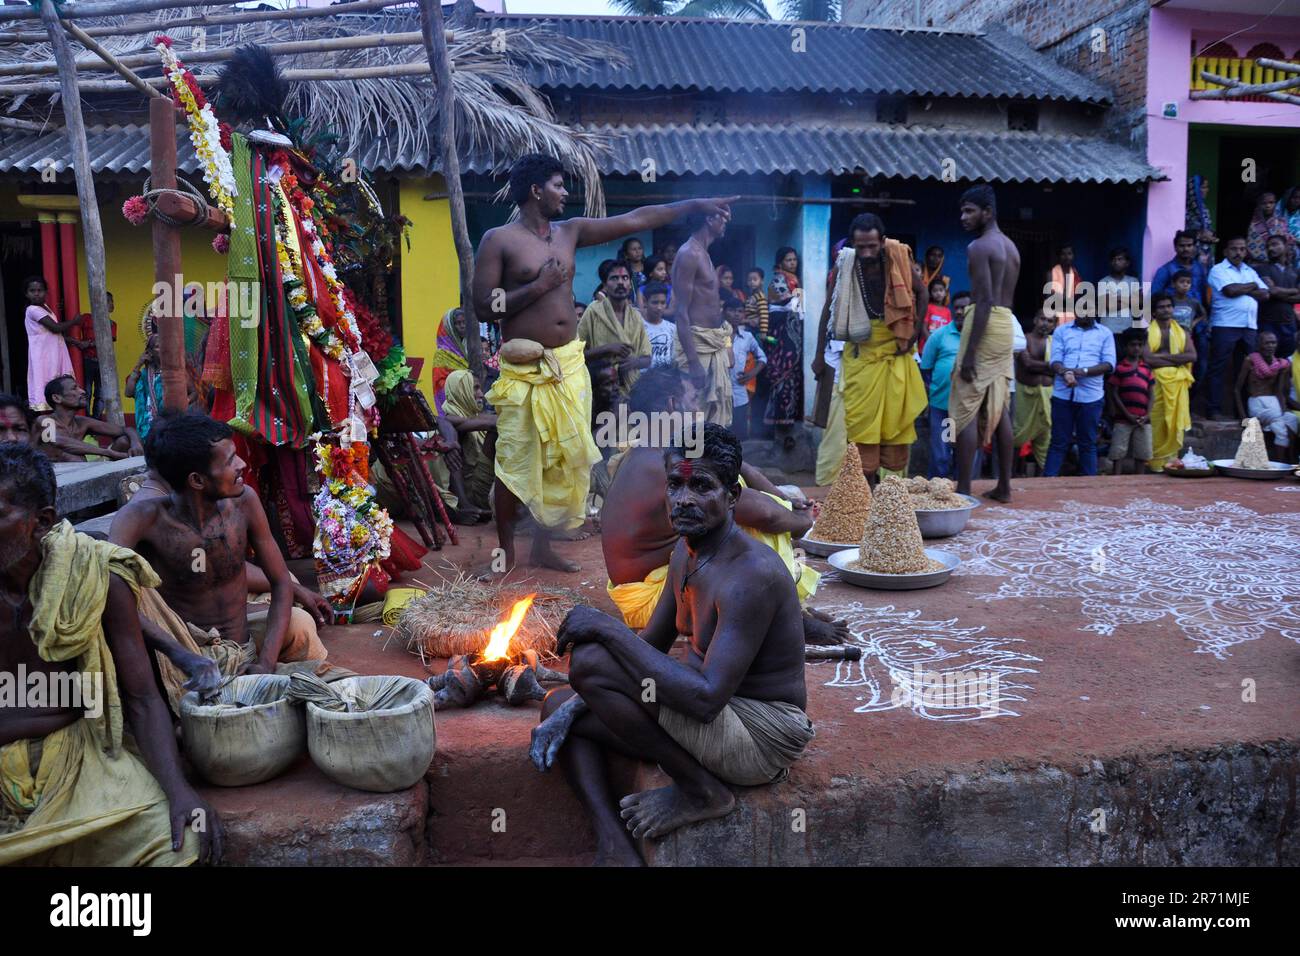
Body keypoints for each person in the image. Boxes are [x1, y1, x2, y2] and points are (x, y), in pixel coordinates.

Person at [532, 424, 814, 864]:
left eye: (701, 486)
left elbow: (704, 699)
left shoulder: (750, 575)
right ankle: (613, 842)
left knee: (590, 664)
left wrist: (606, 630)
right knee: (558, 707)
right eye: (675, 484)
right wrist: (579, 700)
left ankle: (701, 791)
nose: (683, 499)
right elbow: (654, 644)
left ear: (733, 497)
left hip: (761, 738)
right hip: (712, 710)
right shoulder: (687, 550)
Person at [471, 152, 734, 576]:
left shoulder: (569, 231)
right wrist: (540, 286)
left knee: (566, 460)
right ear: (536, 191)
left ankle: (542, 546)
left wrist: (693, 205)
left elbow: (635, 219)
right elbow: (485, 306)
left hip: (568, 365)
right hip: (524, 368)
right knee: (515, 460)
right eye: (558, 185)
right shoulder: (498, 240)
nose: (565, 193)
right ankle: (506, 553)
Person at [0, 443, 220, 866]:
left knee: (176, 844)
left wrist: (180, 792)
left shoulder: (94, 573)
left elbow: (140, 698)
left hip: (80, 757)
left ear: (41, 521)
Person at [109, 413, 333, 710]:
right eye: (229, 461)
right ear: (197, 480)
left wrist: (265, 664)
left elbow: (280, 582)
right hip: (184, 656)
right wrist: (182, 655)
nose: (242, 465)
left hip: (246, 648)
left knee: (301, 624)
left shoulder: (245, 502)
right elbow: (109, 593)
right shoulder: (141, 519)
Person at [601, 366, 831, 635]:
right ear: (673, 405)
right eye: (694, 399)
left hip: (651, 587)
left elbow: (739, 467)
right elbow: (763, 514)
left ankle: (782, 607)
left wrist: (786, 500)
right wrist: (800, 521)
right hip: (652, 601)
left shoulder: (653, 449)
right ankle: (778, 617)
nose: (700, 407)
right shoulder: (663, 465)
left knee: (731, 505)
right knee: (741, 529)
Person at [828, 214, 927, 484]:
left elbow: (923, 293)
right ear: (852, 245)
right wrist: (817, 358)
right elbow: (829, 307)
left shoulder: (897, 259)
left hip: (895, 351)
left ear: (882, 242)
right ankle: (866, 490)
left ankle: (890, 492)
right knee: (860, 425)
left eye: (872, 245)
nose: (867, 252)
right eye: (861, 247)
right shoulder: (845, 265)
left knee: (895, 423)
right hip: (861, 355)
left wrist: (913, 338)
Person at [953, 185, 1019, 500]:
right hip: (1006, 323)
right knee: (999, 405)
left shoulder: (979, 247)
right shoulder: (1011, 247)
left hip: (986, 323)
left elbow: (983, 301)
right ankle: (1004, 486)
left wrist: (968, 355)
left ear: (987, 212)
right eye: (962, 210)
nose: (963, 217)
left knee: (965, 407)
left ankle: (964, 489)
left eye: (969, 211)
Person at [670, 208, 737, 428]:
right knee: (692, 419)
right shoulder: (689, 253)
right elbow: (680, 312)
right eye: (722, 216)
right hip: (697, 347)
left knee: (711, 423)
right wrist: (693, 361)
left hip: (713, 343)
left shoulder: (703, 253)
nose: (727, 220)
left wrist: (725, 344)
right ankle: (688, 464)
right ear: (708, 219)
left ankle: (707, 463)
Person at [1043, 305, 1116, 477]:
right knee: (1058, 442)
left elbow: (1109, 364)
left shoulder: (1105, 333)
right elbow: (1055, 361)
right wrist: (1065, 372)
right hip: (1063, 394)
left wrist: (1081, 372)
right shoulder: (1061, 331)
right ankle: (1047, 485)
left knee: (1088, 444)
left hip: (1091, 397)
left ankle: (1089, 489)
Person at [1206, 237, 1269, 421]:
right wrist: (1253, 286)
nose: (1238, 252)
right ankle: (1214, 409)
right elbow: (1230, 291)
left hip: (1249, 326)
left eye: (1242, 249)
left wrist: (1245, 288)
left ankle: (1241, 411)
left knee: (1247, 369)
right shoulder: (1218, 269)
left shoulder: (1249, 270)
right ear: (1226, 251)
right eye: (1234, 249)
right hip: (1225, 325)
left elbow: (1265, 294)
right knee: (1218, 368)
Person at [578, 258, 652, 401]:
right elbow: (575, 355)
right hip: (601, 389)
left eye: (625, 278)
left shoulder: (636, 316)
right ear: (605, 285)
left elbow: (647, 359)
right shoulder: (593, 311)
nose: (620, 282)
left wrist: (634, 363)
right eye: (614, 278)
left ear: (630, 284)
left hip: (632, 390)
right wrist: (607, 349)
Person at [34, 375, 142, 463]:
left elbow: (126, 430)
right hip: (47, 477)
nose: (82, 391)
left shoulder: (82, 422)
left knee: (124, 440)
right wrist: (108, 453)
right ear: (57, 398)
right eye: (74, 388)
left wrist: (136, 444)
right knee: (72, 458)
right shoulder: (44, 420)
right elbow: (59, 441)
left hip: (80, 470)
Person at [1143, 292, 1196, 472]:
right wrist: (1176, 359)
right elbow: (1148, 359)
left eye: (1168, 306)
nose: (1166, 310)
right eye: (1161, 307)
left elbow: (1192, 355)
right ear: (1154, 311)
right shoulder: (1148, 332)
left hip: (1177, 384)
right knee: (1157, 422)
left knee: (1174, 425)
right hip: (1156, 384)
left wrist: (1163, 357)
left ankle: (1172, 462)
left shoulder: (1182, 331)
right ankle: (1155, 464)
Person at [918, 294, 965, 479]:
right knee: (942, 456)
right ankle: (937, 492)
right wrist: (937, 388)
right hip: (943, 405)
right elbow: (926, 368)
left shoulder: (977, 337)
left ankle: (962, 492)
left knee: (964, 453)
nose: (960, 311)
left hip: (966, 408)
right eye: (957, 307)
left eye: (965, 307)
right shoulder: (940, 335)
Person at [440, 369, 498, 516]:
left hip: (484, 484)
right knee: (496, 431)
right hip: (475, 493)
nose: (481, 395)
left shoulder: (474, 416)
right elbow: (495, 423)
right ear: (461, 391)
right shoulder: (451, 420)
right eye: (475, 388)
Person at [1235, 330, 1298, 462]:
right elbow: (1237, 390)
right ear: (1259, 345)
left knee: (1291, 419)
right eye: (1267, 343)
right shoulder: (1250, 361)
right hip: (1257, 403)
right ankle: (1282, 464)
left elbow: (1279, 391)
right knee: (1280, 425)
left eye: (1273, 342)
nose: (1270, 346)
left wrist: (1283, 408)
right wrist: (1243, 417)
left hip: (1274, 403)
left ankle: (1291, 460)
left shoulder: (1280, 365)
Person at [764, 247, 804, 439]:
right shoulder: (777, 281)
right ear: (780, 263)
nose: (793, 263)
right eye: (788, 260)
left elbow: (800, 311)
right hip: (781, 339)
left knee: (792, 378)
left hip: (793, 337)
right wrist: (795, 298)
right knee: (783, 376)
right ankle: (779, 420)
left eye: (794, 259)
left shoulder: (795, 281)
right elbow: (782, 307)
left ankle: (789, 417)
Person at [23, 276, 76, 412]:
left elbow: (53, 335)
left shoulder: (46, 307)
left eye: (39, 290)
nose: (36, 293)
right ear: (26, 294)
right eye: (32, 290)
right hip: (43, 354)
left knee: (56, 381)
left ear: (46, 292)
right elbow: (56, 328)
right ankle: (44, 414)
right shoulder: (32, 310)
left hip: (53, 352)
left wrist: (75, 342)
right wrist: (74, 321)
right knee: (45, 381)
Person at [1105, 332, 1154, 475]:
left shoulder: (1146, 369)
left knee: (1142, 453)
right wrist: (1126, 414)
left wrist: (1148, 414)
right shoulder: (1120, 368)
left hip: (1143, 420)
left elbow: (1152, 394)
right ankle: (1116, 481)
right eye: (1133, 345)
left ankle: (1140, 482)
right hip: (1123, 418)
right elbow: (1114, 392)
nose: (1136, 348)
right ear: (1126, 347)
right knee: (1118, 452)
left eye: (1140, 345)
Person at [1013, 311, 1055, 473]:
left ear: (1054, 325)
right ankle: (1013, 476)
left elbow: (1059, 368)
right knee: (1018, 437)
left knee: (1045, 439)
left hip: (1048, 396)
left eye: (1050, 321)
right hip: (1025, 396)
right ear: (1035, 320)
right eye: (1043, 319)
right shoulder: (1024, 339)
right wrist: (1052, 366)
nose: (1045, 323)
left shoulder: (1055, 342)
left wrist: (1052, 367)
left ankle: (1040, 480)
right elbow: (1027, 365)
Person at [728, 294, 766, 440]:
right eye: (732, 310)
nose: (736, 314)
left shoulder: (747, 337)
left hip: (739, 395)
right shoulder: (715, 335)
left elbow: (762, 358)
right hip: (718, 396)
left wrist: (751, 374)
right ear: (724, 312)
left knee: (738, 439)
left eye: (739, 311)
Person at [76, 290, 117, 418]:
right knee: (86, 391)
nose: (110, 304)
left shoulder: (112, 324)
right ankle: (87, 417)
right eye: (107, 301)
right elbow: (74, 331)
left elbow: (107, 341)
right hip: (87, 360)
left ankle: (96, 419)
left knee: (101, 393)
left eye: (110, 302)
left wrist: (88, 344)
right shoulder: (86, 318)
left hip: (104, 362)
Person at [1258, 233, 1299, 359]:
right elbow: (1271, 291)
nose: (1270, 248)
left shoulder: (1295, 272)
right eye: (1268, 246)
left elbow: (1276, 292)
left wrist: (1276, 292)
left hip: (1289, 323)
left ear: (1286, 247)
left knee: (1286, 362)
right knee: (1267, 362)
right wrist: (1294, 291)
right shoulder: (1262, 269)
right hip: (1268, 323)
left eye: (1275, 244)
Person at [124, 333, 165, 440]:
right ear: (150, 352)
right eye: (157, 347)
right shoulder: (145, 373)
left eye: (164, 346)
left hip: (168, 425)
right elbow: (128, 393)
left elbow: (193, 392)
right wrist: (138, 365)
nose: (162, 349)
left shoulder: (174, 372)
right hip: (147, 425)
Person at [430, 307, 469, 415]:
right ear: (450, 327)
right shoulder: (442, 354)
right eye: (458, 323)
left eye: (464, 322)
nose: (462, 326)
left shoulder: (470, 347)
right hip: (454, 407)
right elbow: (440, 384)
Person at [1097, 247, 1142, 340]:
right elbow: (1109, 306)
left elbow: (1139, 303)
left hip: (1128, 329)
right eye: (1113, 259)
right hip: (1108, 329)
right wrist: (1129, 300)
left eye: (1120, 259)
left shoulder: (1133, 281)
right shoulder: (1103, 282)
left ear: (1127, 263)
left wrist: (1117, 298)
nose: (1116, 262)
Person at [1152, 230, 1210, 303]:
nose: (1186, 249)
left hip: (1197, 311)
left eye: (1189, 245)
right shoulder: (1166, 270)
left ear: (1194, 247)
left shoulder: (1199, 268)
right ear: (1175, 247)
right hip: (1175, 311)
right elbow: (1154, 295)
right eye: (1182, 246)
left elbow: (1204, 292)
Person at [1246, 190, 1291, 265]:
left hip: (1279, 264)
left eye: (1271, 202)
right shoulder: (1252, 224)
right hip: (1257, 264)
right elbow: (1250, 245)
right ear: (1259, 205)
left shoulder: (1281, 222)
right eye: (1264, 203)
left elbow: (1286, 242)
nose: (1268, 206)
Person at [641, 281, 676, 369]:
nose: (659, 307)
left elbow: (674, 358)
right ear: (645, 302)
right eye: (655, 303)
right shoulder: (638, 327)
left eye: (663, 303)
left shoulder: (672, 328)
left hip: (666, 377)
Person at [1186, 174, 1218, 269]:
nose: (1206, 190)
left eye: (1206, 187)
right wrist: (1200, 235)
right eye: (1203, 187)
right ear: (1194, 189)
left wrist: (1212, 235)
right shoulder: (1186, 210)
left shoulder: (1203, 209)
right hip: (1192, 255)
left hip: (1206, 253)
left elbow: (1207, 228)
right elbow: (1184, 232)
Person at [1045, 243, 1082, 326]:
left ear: (1073, 256)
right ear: (1058, 256)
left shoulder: (1076, 273)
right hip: (1056, 314)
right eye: (1063, 254)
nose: (1066, 257)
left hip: (1072, 314)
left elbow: (1077, 297)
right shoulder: (1051, 273)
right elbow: (1049, 298)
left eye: (1069, 254)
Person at [919, 276, 952, 351]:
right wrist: (931, 341)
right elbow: (923, 327)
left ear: (945, 293)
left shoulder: (947, 311)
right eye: (935, 291)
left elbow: (949, 330)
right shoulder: (928, 307)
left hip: (941, 346)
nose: (938, 293)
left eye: (941, 290)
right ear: (930, 294)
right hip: (927, 345)